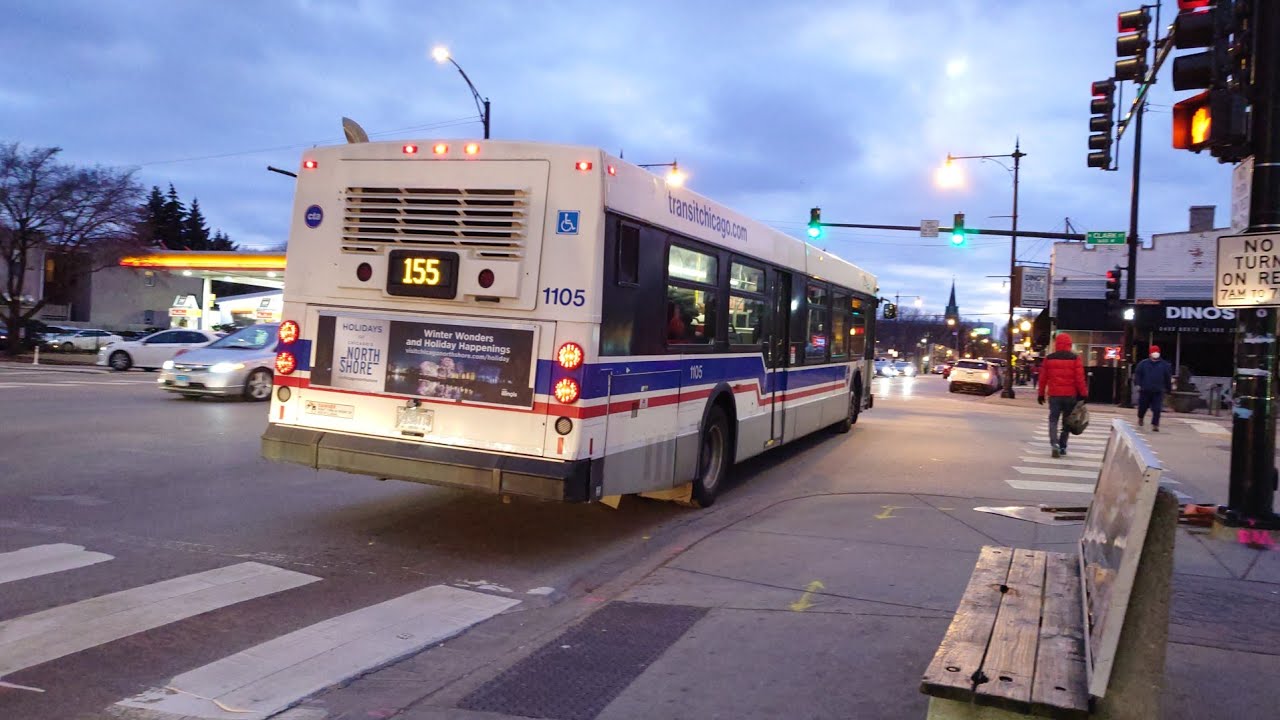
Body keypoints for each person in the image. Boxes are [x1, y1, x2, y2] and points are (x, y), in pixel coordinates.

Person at [1037, 332, 1088, 458]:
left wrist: (1041, 394)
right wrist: (1083, 394)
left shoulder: (1049, 358)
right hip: (1070, 396)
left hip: (1054, 395)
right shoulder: (1075, 358)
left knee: (1053, 420)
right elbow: (1079, 379)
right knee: (1067, 422)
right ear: (1069, 344)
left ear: (1056, 344)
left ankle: (1054, 444)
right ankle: (1063, 446)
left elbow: (1043, 378)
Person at [1133, 344, 1174, 431]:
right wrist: (1138, 384)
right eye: (1154, 352)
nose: (1155, 354)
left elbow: (1167, 377)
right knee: (1142, 407)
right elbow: (1138, 375)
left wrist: (1169, 389)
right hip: (1145, 390)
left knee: (1157, 409)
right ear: (1150, 353)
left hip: (1158, 391)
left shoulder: (1164, 365)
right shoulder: (1143, 364)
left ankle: (1155, 425)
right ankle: (1140, 417)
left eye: (1157, 352)